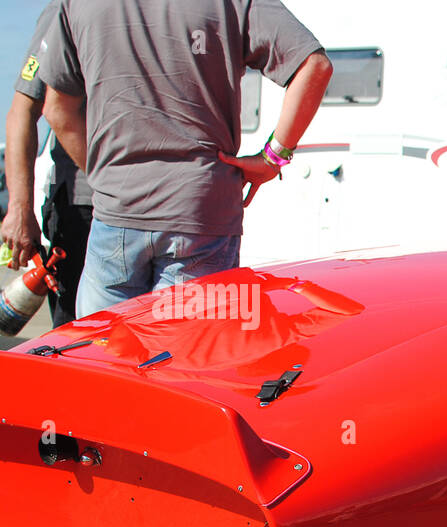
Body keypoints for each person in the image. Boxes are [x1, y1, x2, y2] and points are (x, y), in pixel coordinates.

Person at [37, 0, 333, 318]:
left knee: (102, 354)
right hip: (200, 213)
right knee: (186, 359)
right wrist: (273, 158)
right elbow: (314, 66)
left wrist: (106, 176)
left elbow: (57, 110)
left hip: (116, 214)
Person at [1, 1, 93, 326]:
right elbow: (23, 111)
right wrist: (20, 208)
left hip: (162, 202)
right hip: (85, 208)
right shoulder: (67, 10)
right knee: (80, 341)